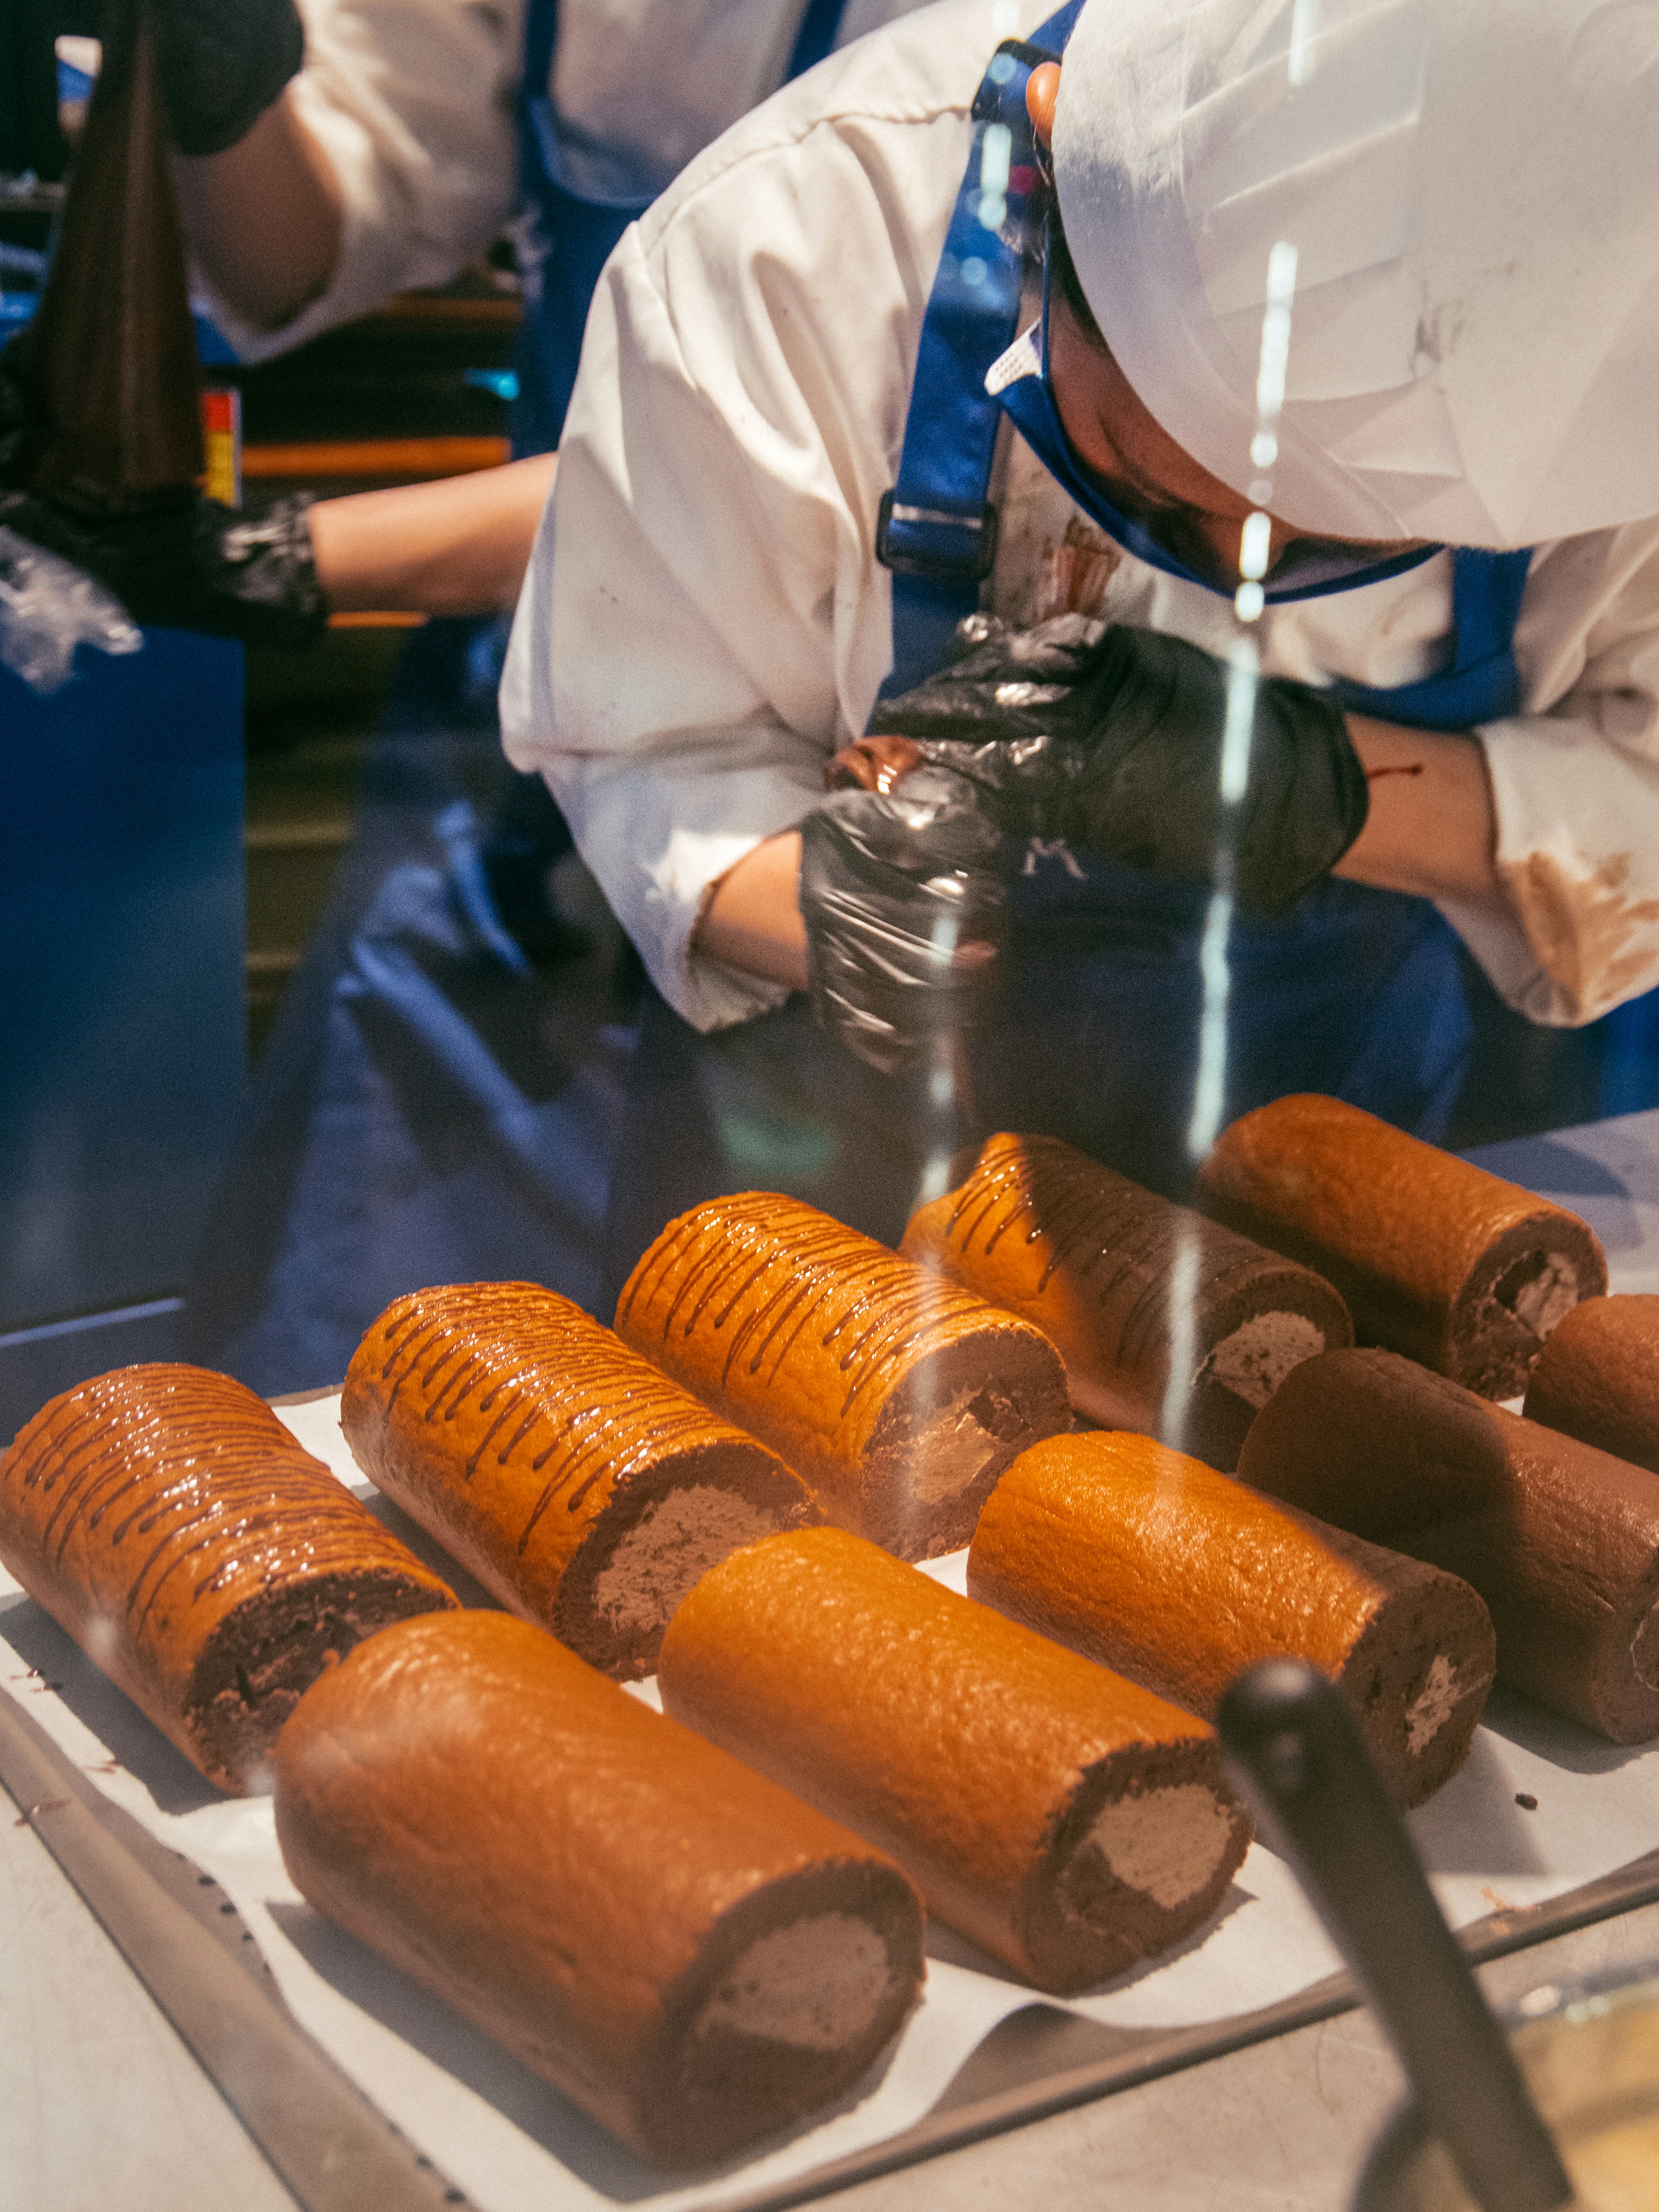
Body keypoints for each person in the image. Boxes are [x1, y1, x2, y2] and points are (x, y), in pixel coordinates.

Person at [496, 0, 1659, 1297]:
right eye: (1147, 494)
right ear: (1042, 176)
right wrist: (830, 904)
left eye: (1338, 552)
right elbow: (653, 737)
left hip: (1332, 1194)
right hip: (829, 1193)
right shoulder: (796, 242)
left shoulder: (1625, 365)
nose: (1238, 579)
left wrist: (1319, 787)